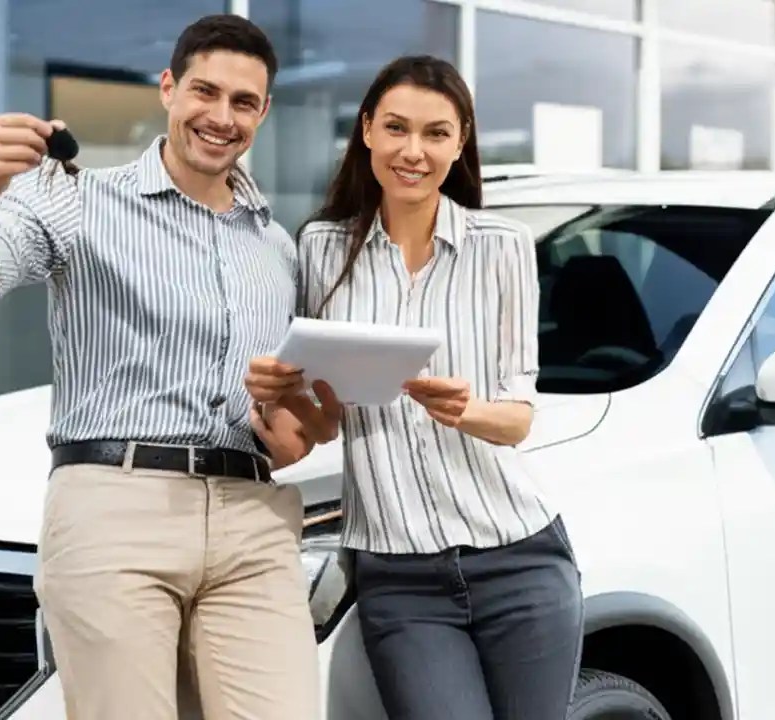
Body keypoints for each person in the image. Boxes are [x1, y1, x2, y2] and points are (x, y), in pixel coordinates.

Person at [0, 14, 335, 720]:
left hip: (254, 517)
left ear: (263, 112)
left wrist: (287, 421)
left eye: (243, 102)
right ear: (169, 89)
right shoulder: (77, 198)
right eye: (205, 91)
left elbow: (294, 417)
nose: (221, 117)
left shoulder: (277, 246)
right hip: (116, 506)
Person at [244, 55, 584, 719]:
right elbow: (319, 422)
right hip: (399, 578)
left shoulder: (503, 247)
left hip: (520, 559)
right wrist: (278, 391)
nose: (413, 151)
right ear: (366, 129)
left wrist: (466, 411)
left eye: (435, 134)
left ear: (460, 145)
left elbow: (518, 418)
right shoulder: (320, 248)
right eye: (396, 128)